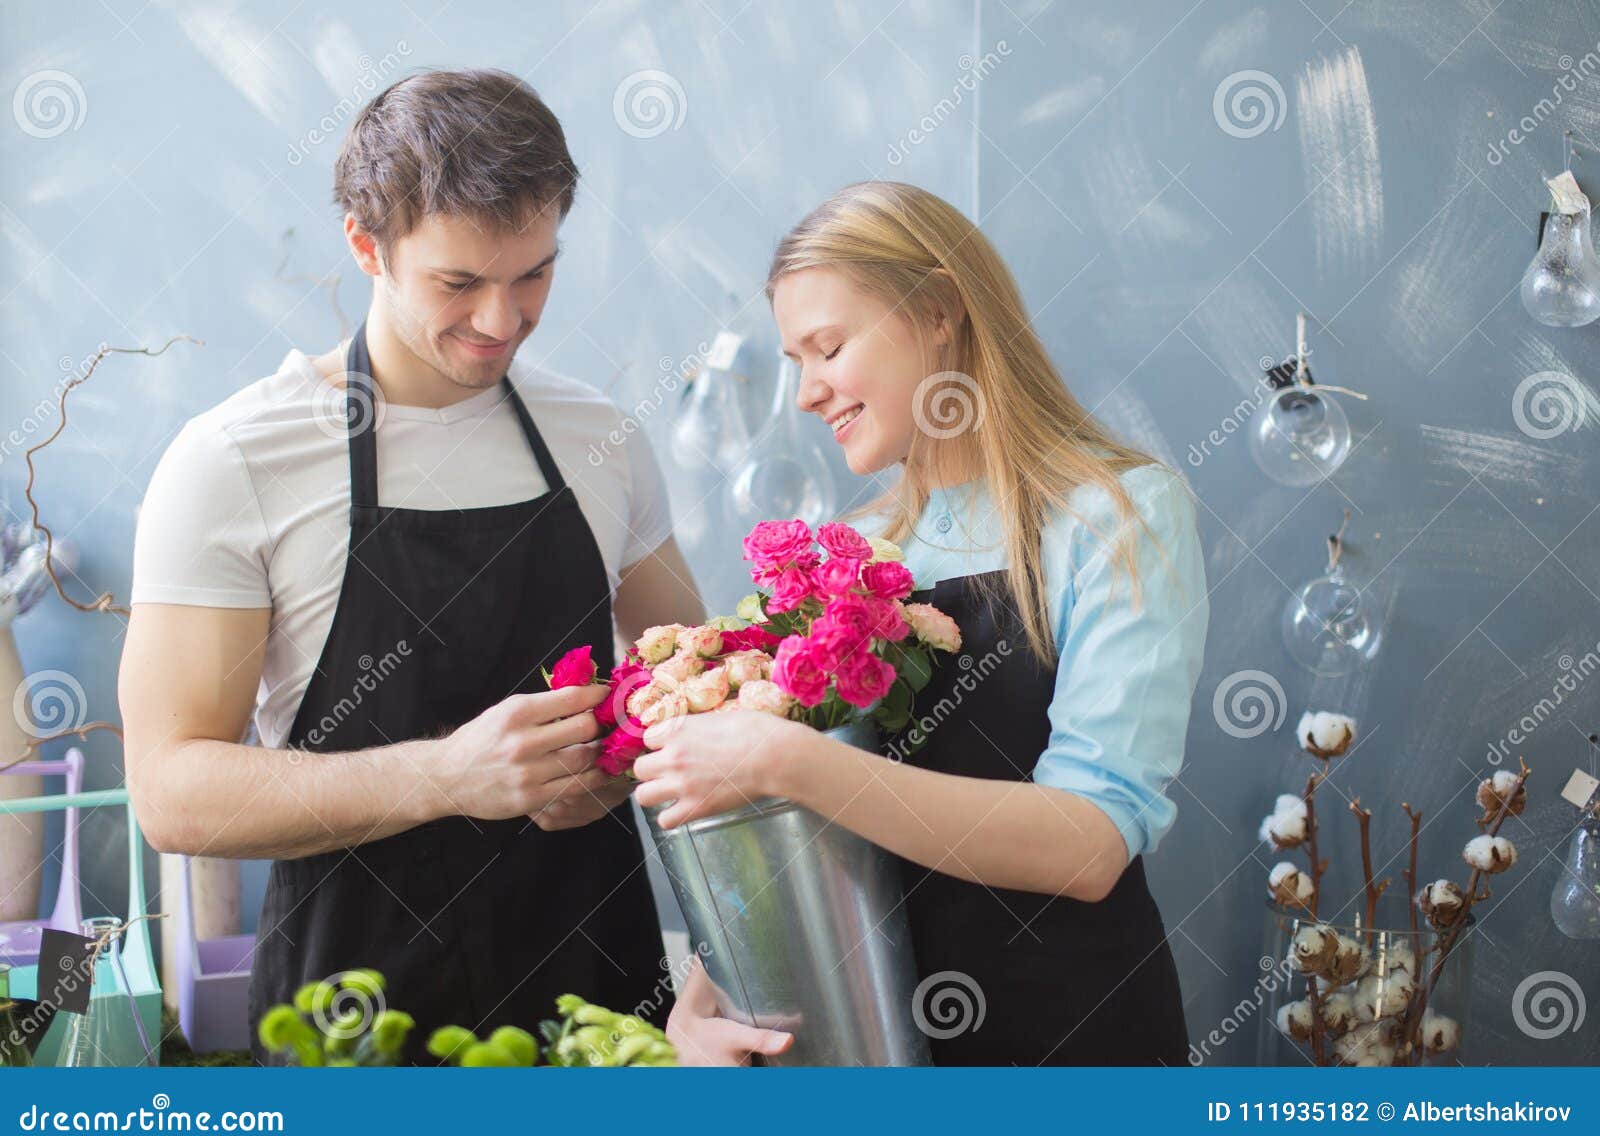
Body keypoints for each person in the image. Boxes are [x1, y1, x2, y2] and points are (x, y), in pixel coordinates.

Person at [119, 68, 777, 1064]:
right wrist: (445, 775)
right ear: (364, 245)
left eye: (534, 275)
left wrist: (612, 770)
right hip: (352, 1023)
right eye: (459, 283)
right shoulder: (236, 460)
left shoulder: (598, 437)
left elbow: (704, 703)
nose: (502, 321)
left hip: (601, 1005)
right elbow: (171, 792)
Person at [639, 181, 1209, 1066]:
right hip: (879, 1044)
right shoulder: (852, 555)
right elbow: (803, 849)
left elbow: (1090, 844)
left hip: (1076, 1034)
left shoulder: (1117, 512)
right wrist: (710, 996)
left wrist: (787, 758)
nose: (805, 391)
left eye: (827, 347)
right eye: (796, 359)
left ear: (940, 308)